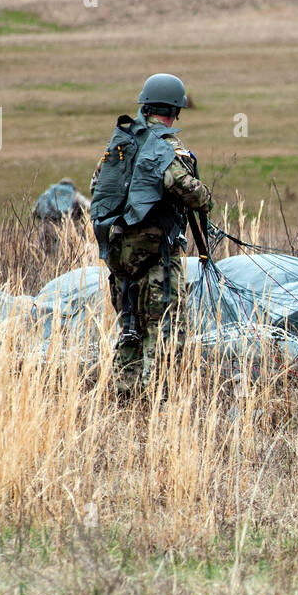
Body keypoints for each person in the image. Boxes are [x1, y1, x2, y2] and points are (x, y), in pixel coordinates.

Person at [89, 73, 214, 395]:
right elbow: (190, 192)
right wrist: (205, 196)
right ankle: (156, 402)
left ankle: (123, 396)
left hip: (120, 255)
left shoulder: (120, 144)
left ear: (145, 106)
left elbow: (97, 190)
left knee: (130, 328)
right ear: (175, 111)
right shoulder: (166, 148)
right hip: (158, 254)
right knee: (166, 330)